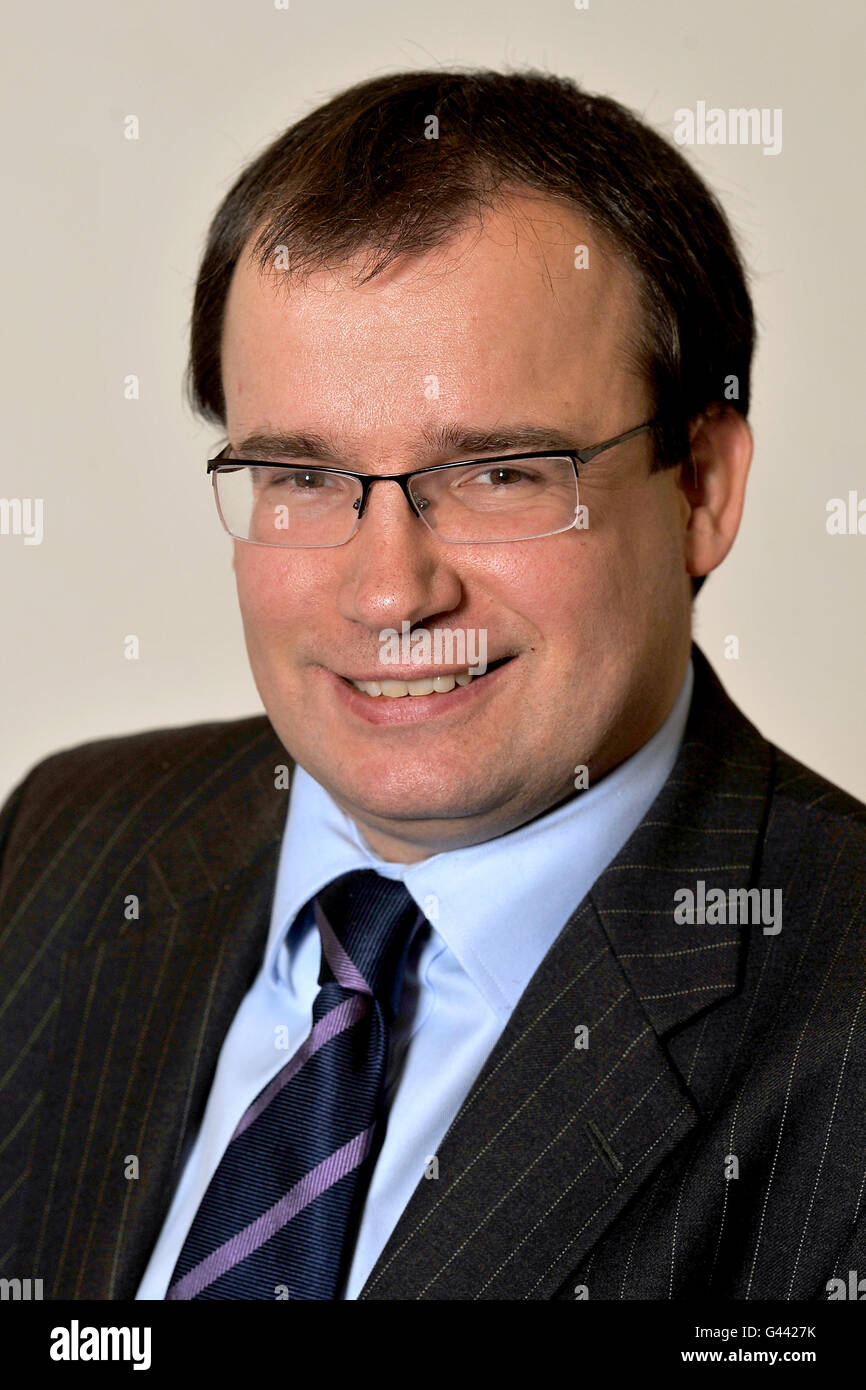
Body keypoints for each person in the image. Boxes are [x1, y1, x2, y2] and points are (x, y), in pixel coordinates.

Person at [1, 68, 864, 1302]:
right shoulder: (71, 839)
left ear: (700, 488)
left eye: (499, 473)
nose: (389, 593)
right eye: (300, 477)